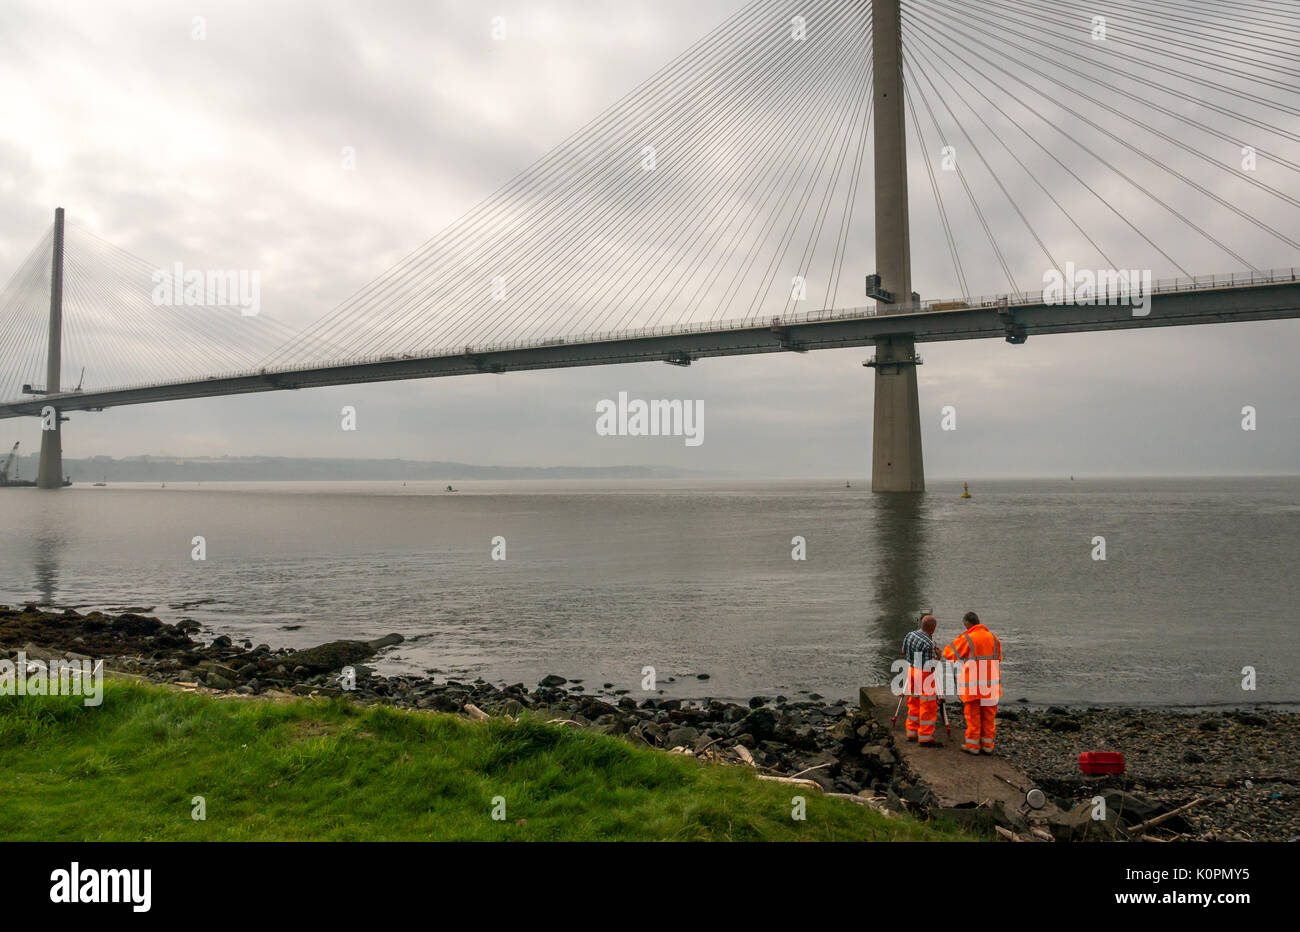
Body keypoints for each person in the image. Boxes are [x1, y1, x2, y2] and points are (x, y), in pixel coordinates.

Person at [942, 611, 1002, 755]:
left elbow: (948, 653)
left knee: (973, 716)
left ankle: (973, 746)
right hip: (991, 684)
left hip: (973, 685)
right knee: (989, 716)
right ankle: (988, 746)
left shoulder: (967, 638)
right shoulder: (994, 638)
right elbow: (998, 658)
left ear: (967, 624)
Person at [900, 614, 941, 747]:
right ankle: (925, 737)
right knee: (927, 707)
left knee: (913, 702)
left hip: (911, 671)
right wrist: (939, 656)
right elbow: (931, 664)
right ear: (932, 628)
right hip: (925, 675)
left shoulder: (910, 635)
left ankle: (911, 732)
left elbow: (903, 652)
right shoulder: (929, 644)